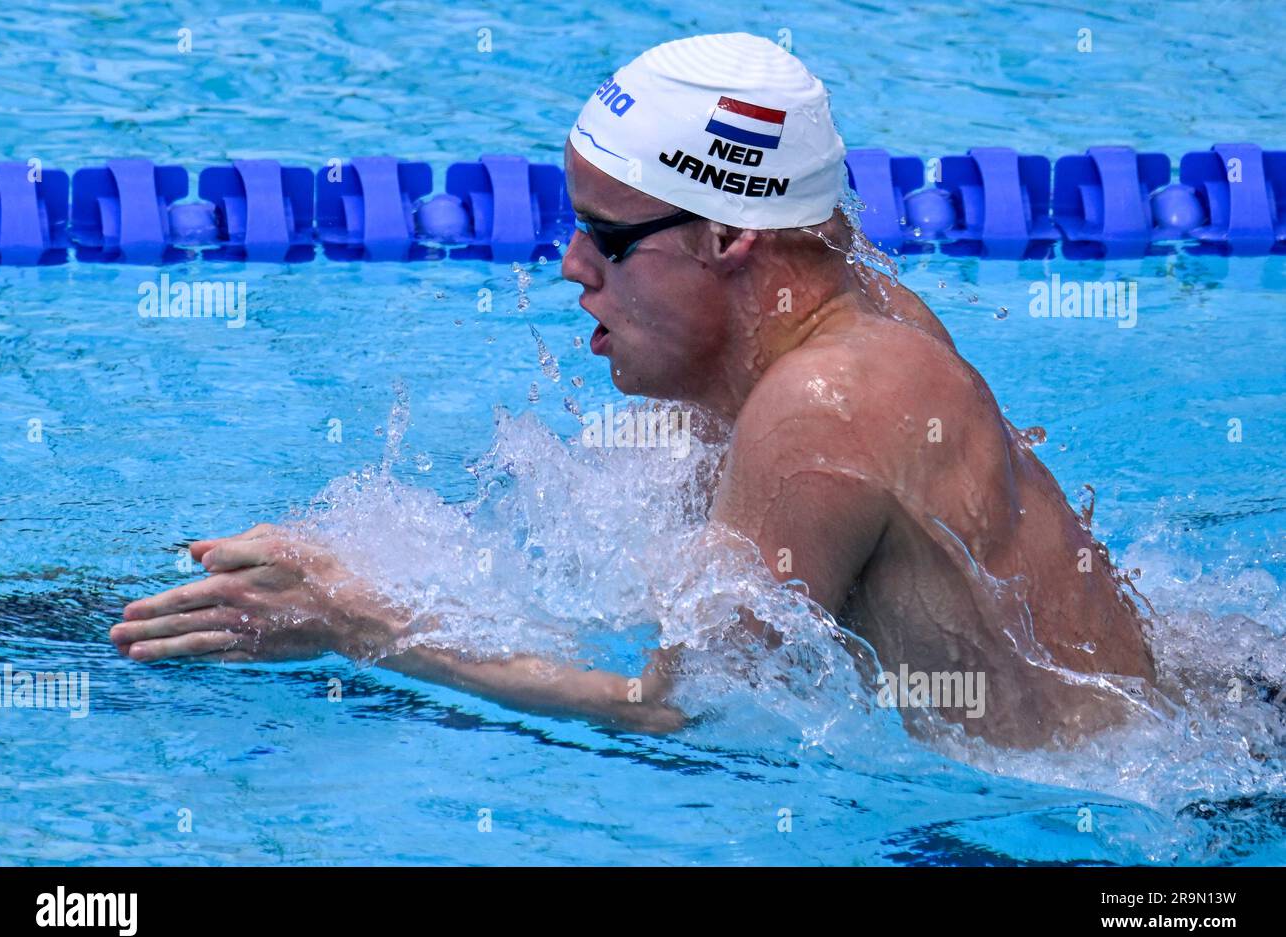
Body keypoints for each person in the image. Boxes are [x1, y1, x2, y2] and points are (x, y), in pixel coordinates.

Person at [109, 33, 1155, 749]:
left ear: (729, 237)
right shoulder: (846, 309)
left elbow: (681, 710)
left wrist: (359, 623)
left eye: (607, 236)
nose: (572, 266)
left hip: (1057, 837)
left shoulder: (821, 404)